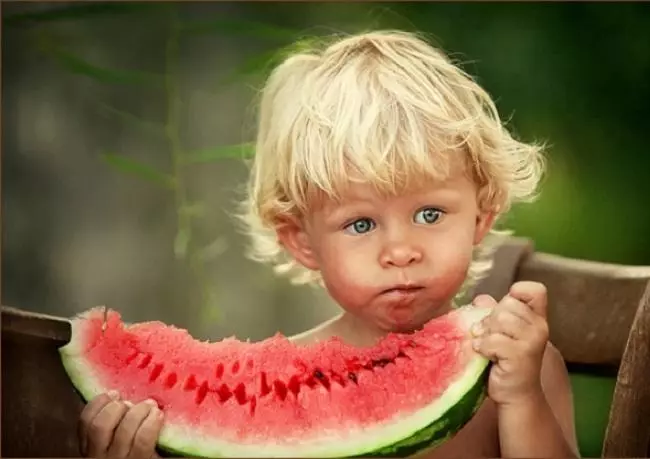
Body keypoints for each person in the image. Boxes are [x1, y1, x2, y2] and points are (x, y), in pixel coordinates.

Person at [77, 30, 580, 459]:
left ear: (480, 217)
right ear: (303, 243)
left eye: (430, 214)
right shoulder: (270, 393)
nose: (400, 250)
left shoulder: (524, 368)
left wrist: (522, 399)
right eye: (360, 224)